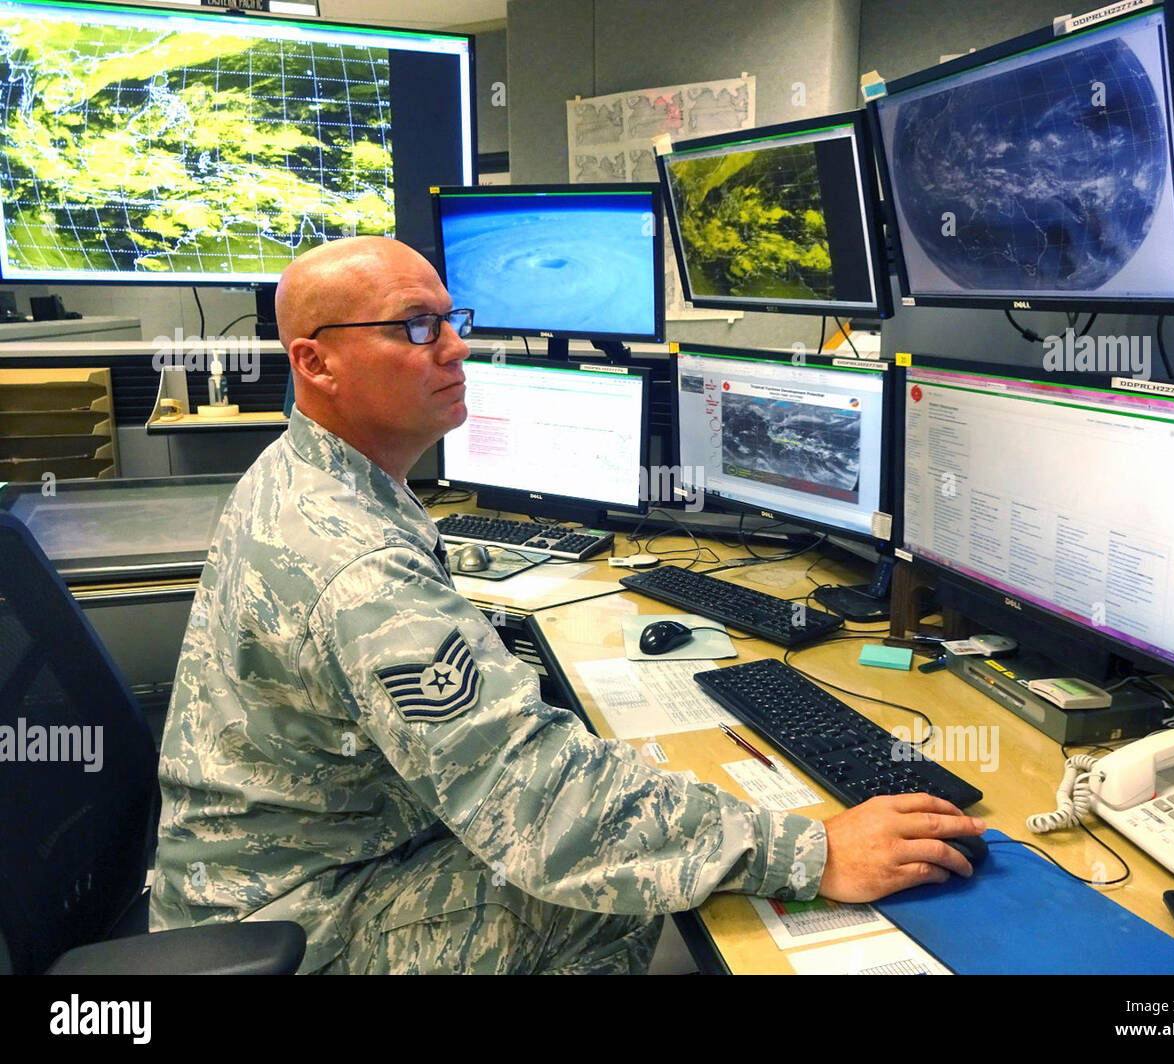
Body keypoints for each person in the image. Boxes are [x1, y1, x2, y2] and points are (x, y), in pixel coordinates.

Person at [150, 236, 984, 974]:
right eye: (415, 327)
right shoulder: (357, 563)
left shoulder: (312, 475)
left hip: (271, 876)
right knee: (606, 894)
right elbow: (538, 810)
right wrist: (810, 848)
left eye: (451, 318)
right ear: (316, 363)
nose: (454, 347)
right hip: (300, 929)